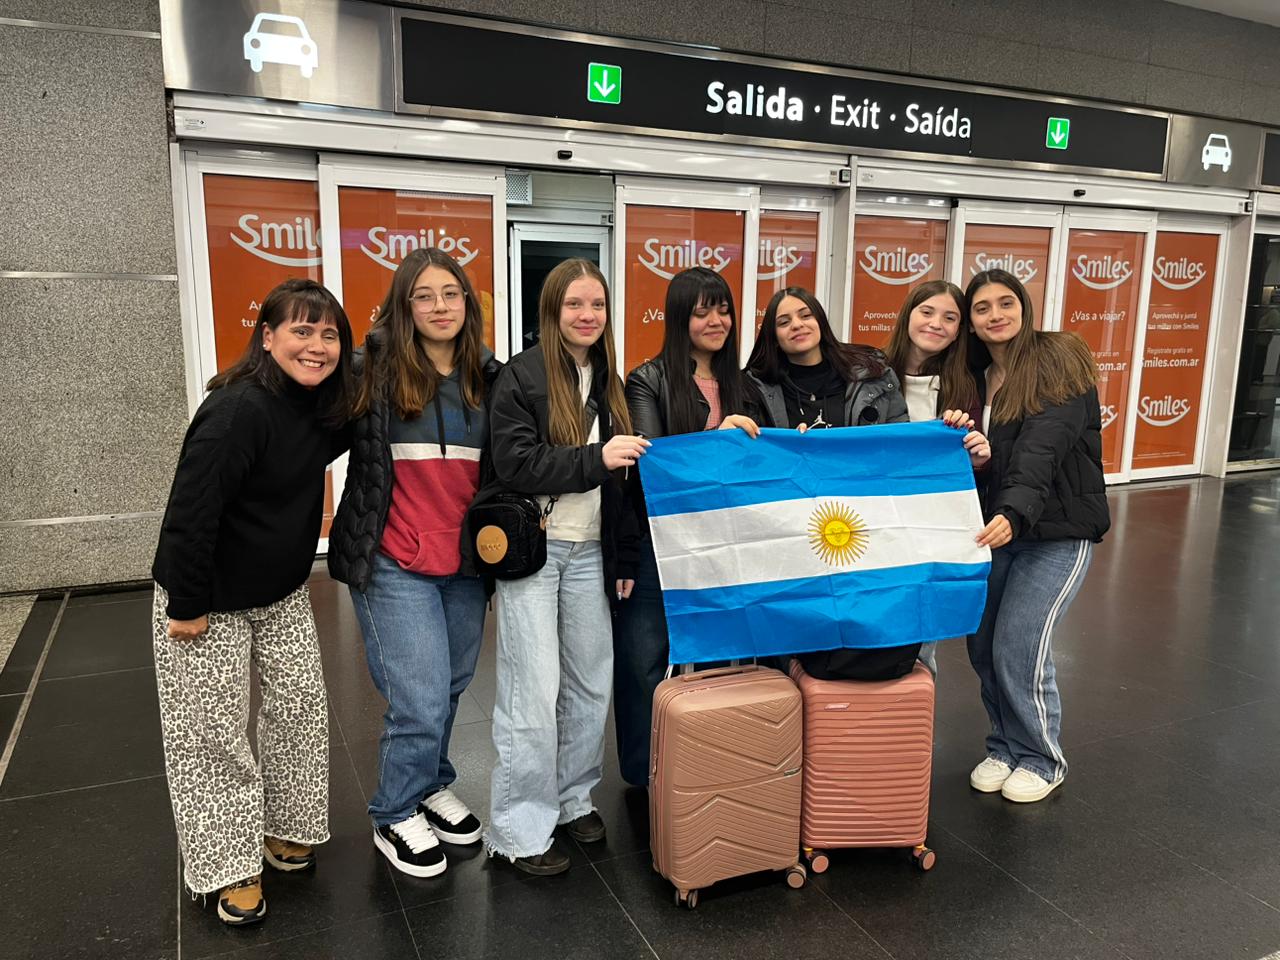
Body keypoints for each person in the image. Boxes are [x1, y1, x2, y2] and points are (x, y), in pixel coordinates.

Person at [151, 279, 354, 925]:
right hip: (206, 596)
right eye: (301, 330)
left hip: (282, 590)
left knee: (299, 712)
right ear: (267, 337)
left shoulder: (322, 407)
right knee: (213, 737)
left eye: (329, 334)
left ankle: (284, 828)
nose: (316, 346)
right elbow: (191, 509)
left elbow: (383, 380)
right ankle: (228, 865)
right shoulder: (237, 409)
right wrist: (186, 603)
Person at [327, 248, 501, 878]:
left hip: (464, 564)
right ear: (404, 307)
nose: (439, 307)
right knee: (419, 695)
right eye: (423, 296)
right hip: (394, 558)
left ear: (467, 303)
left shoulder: (490, 376)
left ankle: (431, 783)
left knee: (451, 687)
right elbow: (300, 422)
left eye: (450, 294)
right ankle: (394, 809)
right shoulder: (368, 372)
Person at [482, 258, 648, 875]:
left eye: (597, 306)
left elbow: (625, 481)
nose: (588, 316)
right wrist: (595, 457)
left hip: (590, 551)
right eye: (575, 304)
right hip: (536, 550)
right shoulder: (522, 377)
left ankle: (571, 798)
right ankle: (520, 829)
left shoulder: (608, 377)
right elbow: (516, 465)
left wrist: (622, 553)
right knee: (531, 691)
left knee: (588, 683)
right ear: (551, 312)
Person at [964, 267, 1109, 804]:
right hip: (1002, 531)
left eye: (1006, 303)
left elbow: (1042, 448)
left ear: (1024, 309)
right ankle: (1004, 745)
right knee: (983, 647)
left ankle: (1043, 758)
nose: (996, 314)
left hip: (1053, 535)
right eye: (982, 308)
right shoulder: (977, 377)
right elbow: (997, 457)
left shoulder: (1056, 358)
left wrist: (1014, 510)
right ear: (972, 323)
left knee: (1019, 646)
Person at [616, 267, 764, 787]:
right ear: (680, 317)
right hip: (660, 547)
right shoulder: (648, 379)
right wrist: (717, 439)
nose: (715, 320)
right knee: (642, 663)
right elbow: (650, 464)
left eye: (722, 308)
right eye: (702, 310)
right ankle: (644, 773)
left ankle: (715, 762)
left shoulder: (746, 385)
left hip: (731, 548)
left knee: (726, 662)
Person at [884, 280, 993, 671]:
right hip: (877, 521)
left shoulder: (965, 385)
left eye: (950, 318)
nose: (936, 324)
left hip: (934, 526)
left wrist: (978, 455)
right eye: (927, 312)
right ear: (908, 315)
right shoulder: (871, 374)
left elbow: (973, 461)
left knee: (922, 637)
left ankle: (913, 721)